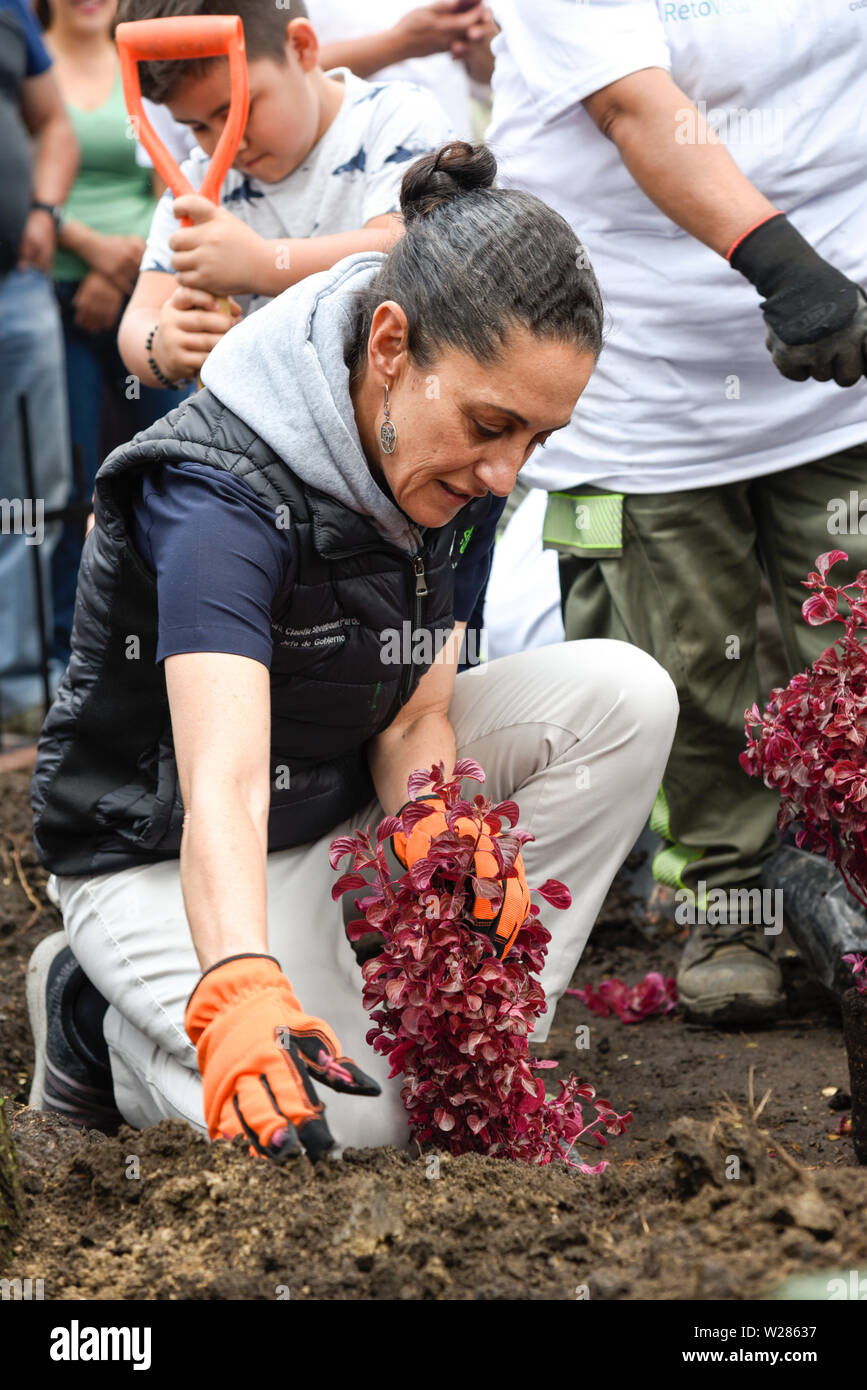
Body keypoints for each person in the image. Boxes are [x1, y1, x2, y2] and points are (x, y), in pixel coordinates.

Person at [27, 143, 678, 1157]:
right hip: (161, 854)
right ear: (388, 343)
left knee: (624, 695)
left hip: (322, 814)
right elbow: (224, 784)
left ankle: (478, 1041)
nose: (508, 473)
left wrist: (433, 814)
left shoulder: (450, 468)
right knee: (355, 1126)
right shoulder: (218, 493)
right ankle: (90, 1012)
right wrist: (241, 983)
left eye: (536, 441)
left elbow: (420, 710)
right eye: (493, 424)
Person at [486, 0, 867, 1025]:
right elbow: (636, 105)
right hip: (649, 363)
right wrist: (790, 275)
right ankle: (728, 903)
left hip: (844, 352)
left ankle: (851, 890)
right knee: (692, 658)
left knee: (852, 644)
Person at [116, 0, 454, 392]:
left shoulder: (395, 118)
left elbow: (406, 246)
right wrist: (162, 346)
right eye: (196, 126)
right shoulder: (197, 184)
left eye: (239, 109)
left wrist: (260, 264)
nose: (231, 143)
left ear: (301, 47)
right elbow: (139, 317)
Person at [37, 0, 189, 672]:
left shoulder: (141, 66)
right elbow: (22, 175)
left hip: (142, 283)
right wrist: (91, 252)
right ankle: (69, 644)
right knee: (66, 475)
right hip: (57, 292)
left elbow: (170, 176)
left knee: (161, 459)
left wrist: (125, 258)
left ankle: (159, 629)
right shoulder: (28, 62)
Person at [0, 0, 77, 734]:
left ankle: (20, 687)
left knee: (32, 491)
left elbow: (53, 122)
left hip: (17, 288)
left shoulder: (10, 13)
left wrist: (44, 209)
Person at [307, 0, 498, 141]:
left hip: (451, 162)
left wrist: (483, 45)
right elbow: (288, 70)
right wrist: (400, 43)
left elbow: (484, 80)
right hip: (355, 165)